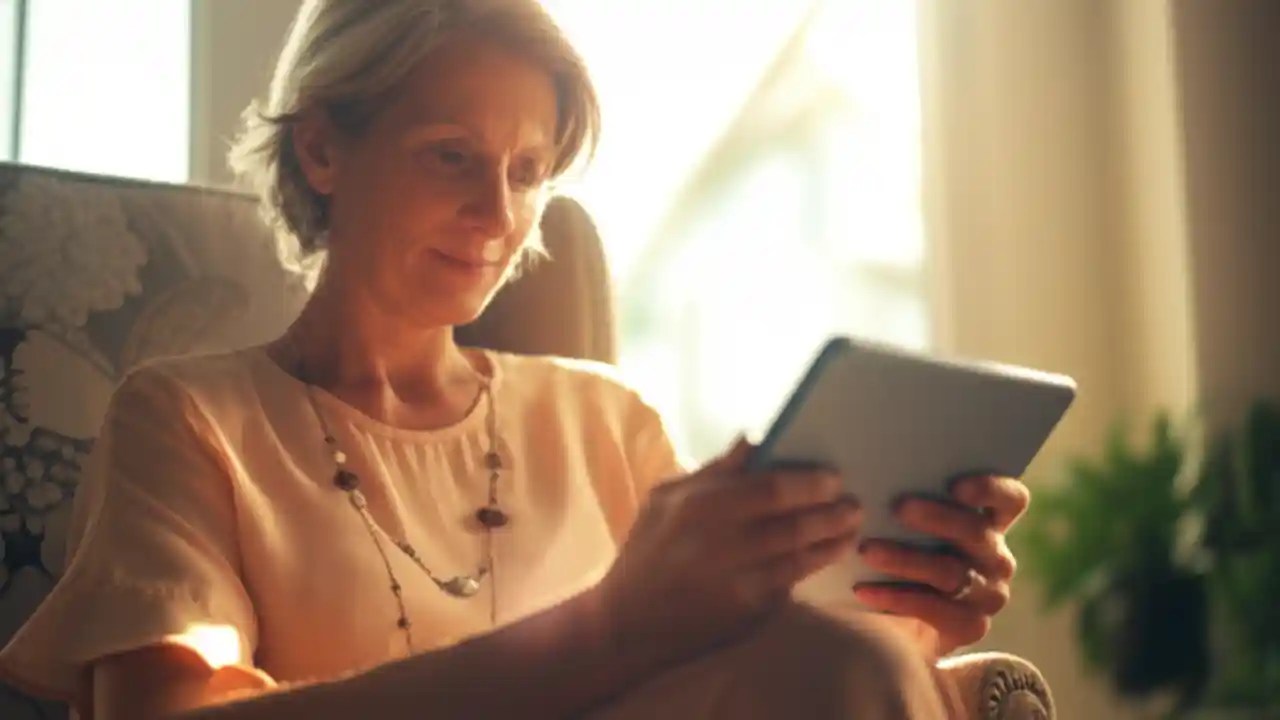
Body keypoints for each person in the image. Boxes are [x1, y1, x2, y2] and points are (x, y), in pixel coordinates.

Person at [0, 1, 1027, 717]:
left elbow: (731, 680)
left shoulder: (603, 419)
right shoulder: (187, 418)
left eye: (526, 170)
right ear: (321, 150)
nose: (498, 216)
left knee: (835, 652)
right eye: (452, 154)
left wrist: (902, 614)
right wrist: (606, 631)